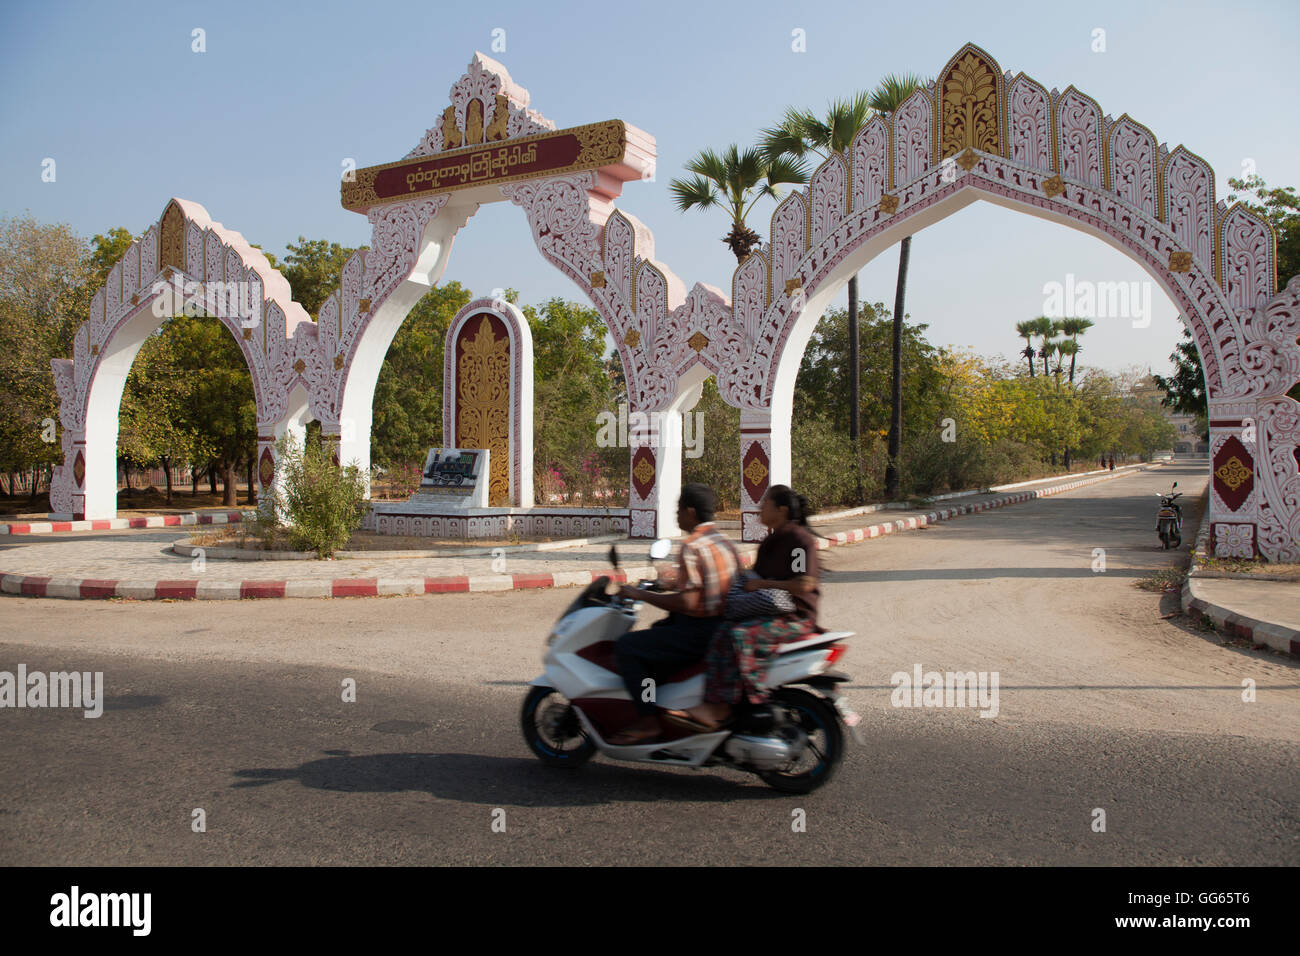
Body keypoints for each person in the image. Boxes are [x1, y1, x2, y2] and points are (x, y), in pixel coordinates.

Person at [666, 484, 821, 732]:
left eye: (765, 504)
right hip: (770, 612)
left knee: (738, 636)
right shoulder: (771, 541)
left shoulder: (798, 540)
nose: (760, 508)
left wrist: (762, 583)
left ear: (781, 510)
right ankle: (722, 704)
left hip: (794, 617)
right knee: (722, 630)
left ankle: (735, 705)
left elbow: (804, 583)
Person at [607, 483, 741, 745]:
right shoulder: (724, 542)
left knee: (628, 648)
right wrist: (670, 581)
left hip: (698, 631)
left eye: (678, 510)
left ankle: (647, 722)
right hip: (723, 626)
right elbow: (709, 584)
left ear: (690, 512)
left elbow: (689, 603)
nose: (676, 515)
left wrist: (641, 594)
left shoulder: (692, 546)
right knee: (658, 632)